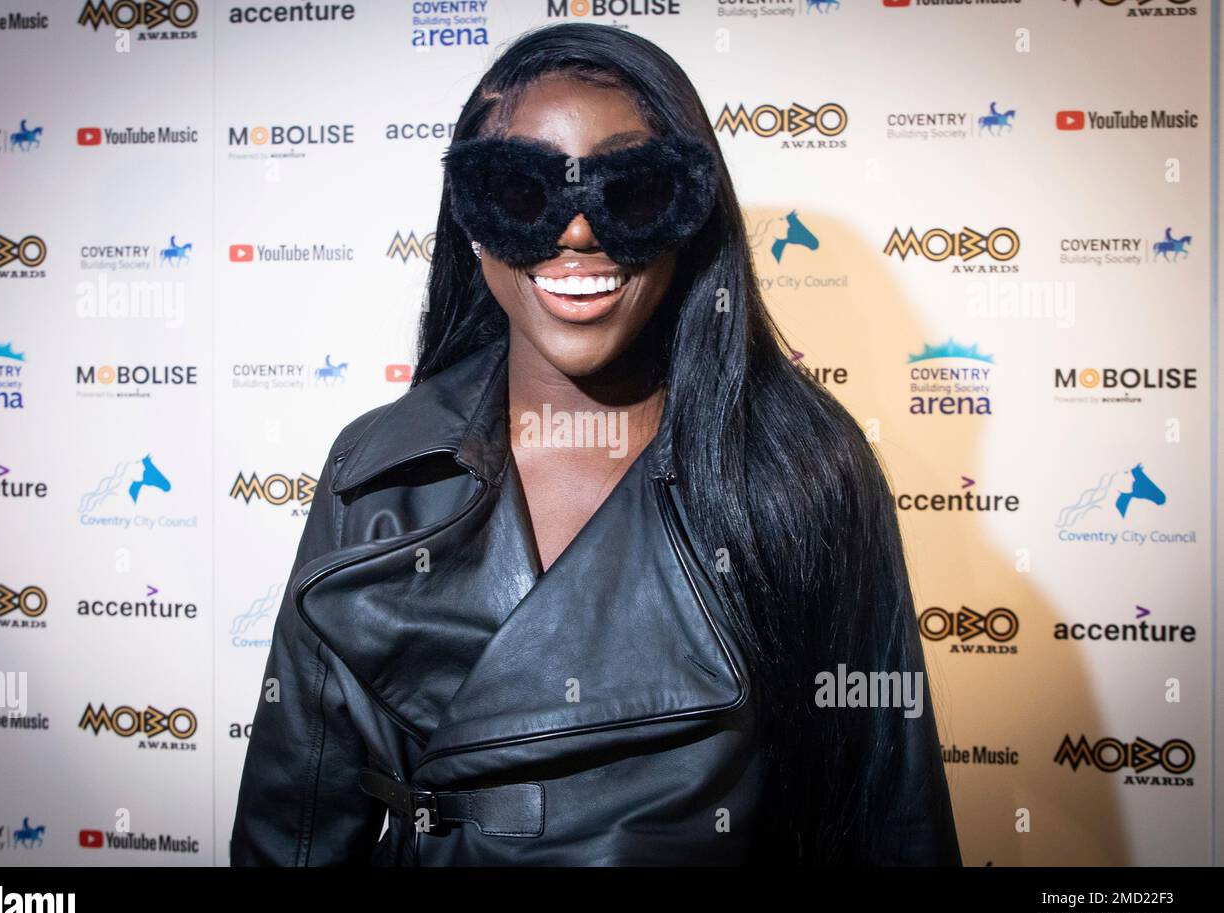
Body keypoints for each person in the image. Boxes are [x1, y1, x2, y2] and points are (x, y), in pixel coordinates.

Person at [230, 21, 961, 866]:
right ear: (470, 220)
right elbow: (298, 812)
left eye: (634, 190)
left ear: (691, 216)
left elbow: (885, 805)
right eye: (520, 190)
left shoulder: (800, 468)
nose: (577, 232)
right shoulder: (377, 470)